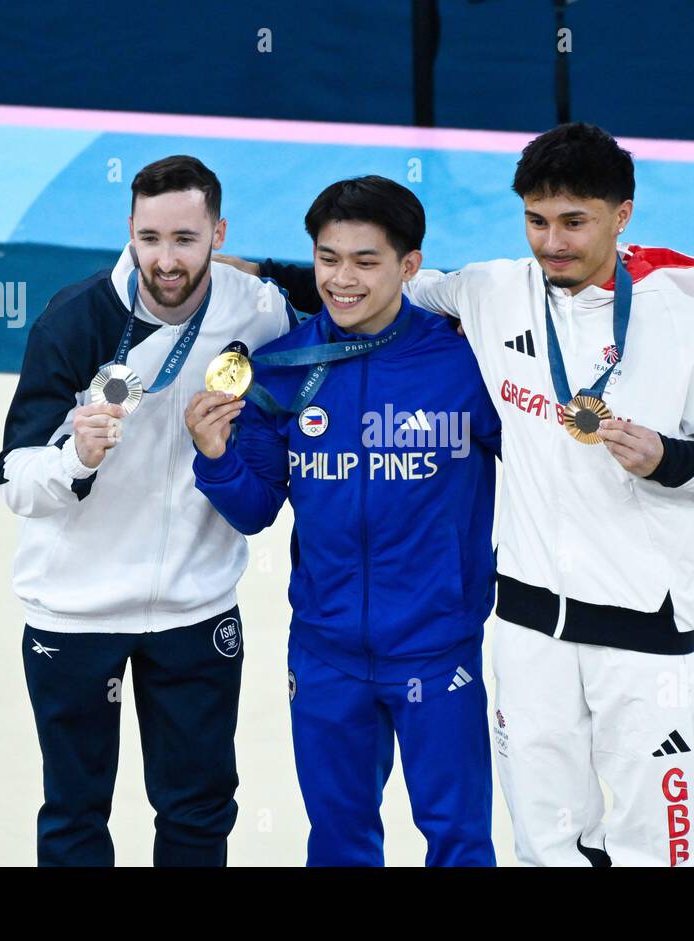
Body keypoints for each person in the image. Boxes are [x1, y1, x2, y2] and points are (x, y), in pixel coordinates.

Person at [224, 123, 694, 866]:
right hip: (526, 625)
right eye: (537, 221)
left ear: (622, 215)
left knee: (658, 844)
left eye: (574, 221)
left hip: (644, 624)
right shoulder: (489, 291)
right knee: (545, 841)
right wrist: (260, 272)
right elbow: (379, 283)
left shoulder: (686, 327)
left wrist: (669, 457)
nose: (552, 242)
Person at [188, 176, 501, 866]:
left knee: (459, 840)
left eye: (366, 261)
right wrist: (216, 459)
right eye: (328, 259)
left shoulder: (466, 364)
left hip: (438, 647)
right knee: (337, 843)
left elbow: (546, 474)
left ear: (409, 267)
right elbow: (255, 509)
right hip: (326, 654)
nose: (343, 279)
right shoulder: (280, 369)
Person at [0, 155, 295, 866]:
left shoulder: (258, 311)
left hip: (195, 610)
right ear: (129, 232)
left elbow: (345, 285)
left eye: (186, 239)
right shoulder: (75, 320)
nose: (166, 259)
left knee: (198, 810)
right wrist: (76, 459)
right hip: (75, 615)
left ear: (219, 234)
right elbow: (13, 478)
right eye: (150, 238)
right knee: (74, 813)